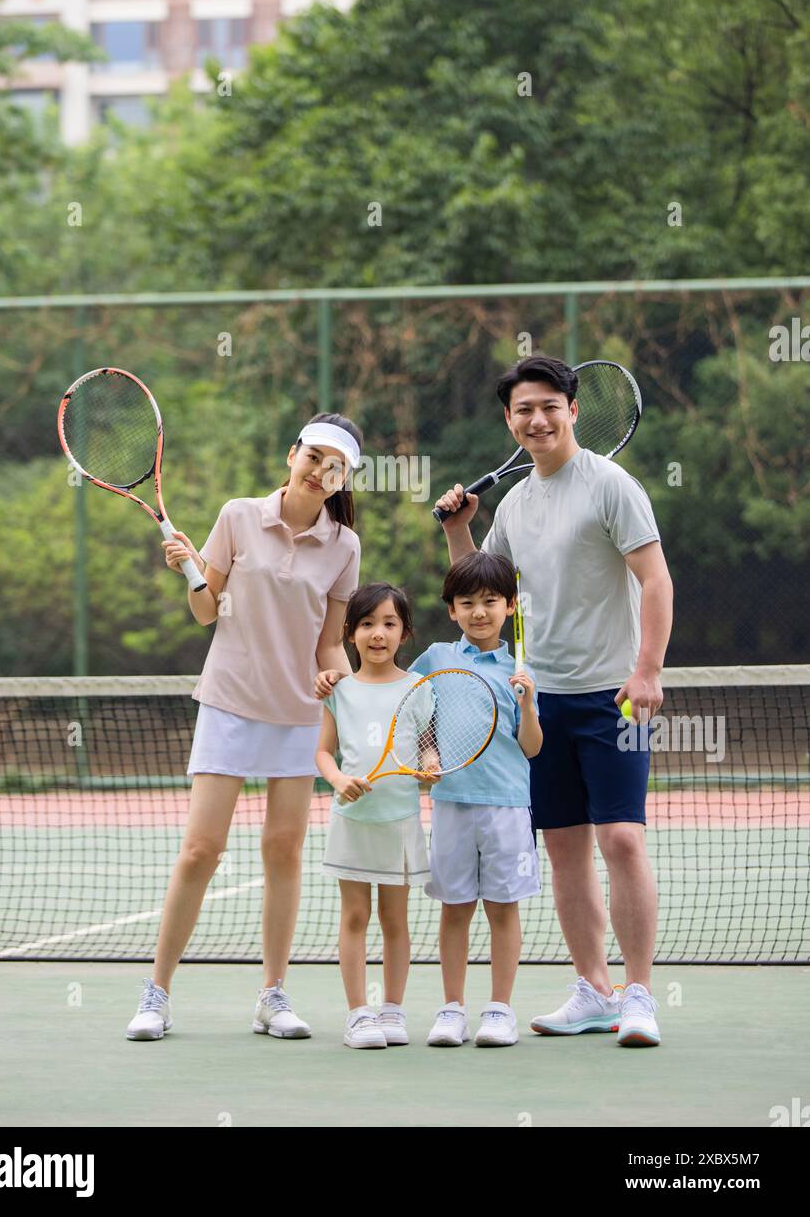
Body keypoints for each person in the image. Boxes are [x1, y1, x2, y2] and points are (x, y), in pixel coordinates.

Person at [433, 355, 673, 1047]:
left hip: (614, 698)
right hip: (538, 701)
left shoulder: (610, 485)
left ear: (571, 409)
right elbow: (483, 590)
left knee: (621, 839)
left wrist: (647, 669)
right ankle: (593, 988)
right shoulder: (513, 504)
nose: (535, 420)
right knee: (564, 850)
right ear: (509, 421)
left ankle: (638, 996)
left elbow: (654, 580)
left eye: (547, 406)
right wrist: (458, 528)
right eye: (521, 411)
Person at [125, 413, 363, 1042]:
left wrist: (350, 691)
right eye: (313, 456)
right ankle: (157, 993)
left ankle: (273, 995)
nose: (320, 471)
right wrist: (190, 568)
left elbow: (329, 645)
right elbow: (207, 612)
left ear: (343, 480)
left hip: (296, 714)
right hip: (229, 700)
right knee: (201, 850)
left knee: (283, 851)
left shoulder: (344, 546)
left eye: (334, 466)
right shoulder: (236, 516)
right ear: (292, 456)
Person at [408, 552, 542, 1047]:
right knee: (455, 908)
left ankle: (500, 1010)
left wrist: (528, 705)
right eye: (467, 603)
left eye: (490, 602)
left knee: (504, 908)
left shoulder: (521, 669)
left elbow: (532, 747)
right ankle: (451, 1010)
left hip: (507, 804)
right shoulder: (437, 660)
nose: (479, 612)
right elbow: (415, 714)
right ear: (451, 610)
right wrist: (427, 754)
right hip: (451, 803)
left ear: (510, 606)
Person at [315, 583, 433, 1049]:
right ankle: (358, 1014)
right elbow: (324, 753)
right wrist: (339, 781)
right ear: (350, 634)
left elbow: (426, 745)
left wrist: (429, 767)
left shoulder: (418, 688)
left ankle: (393, 1011)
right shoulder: (339, 691)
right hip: (352, 821)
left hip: (400, 821)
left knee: (396, 920)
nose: (377, 633)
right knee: (354, 917)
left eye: (389, 623)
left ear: (405, 633)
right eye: (366, 624)